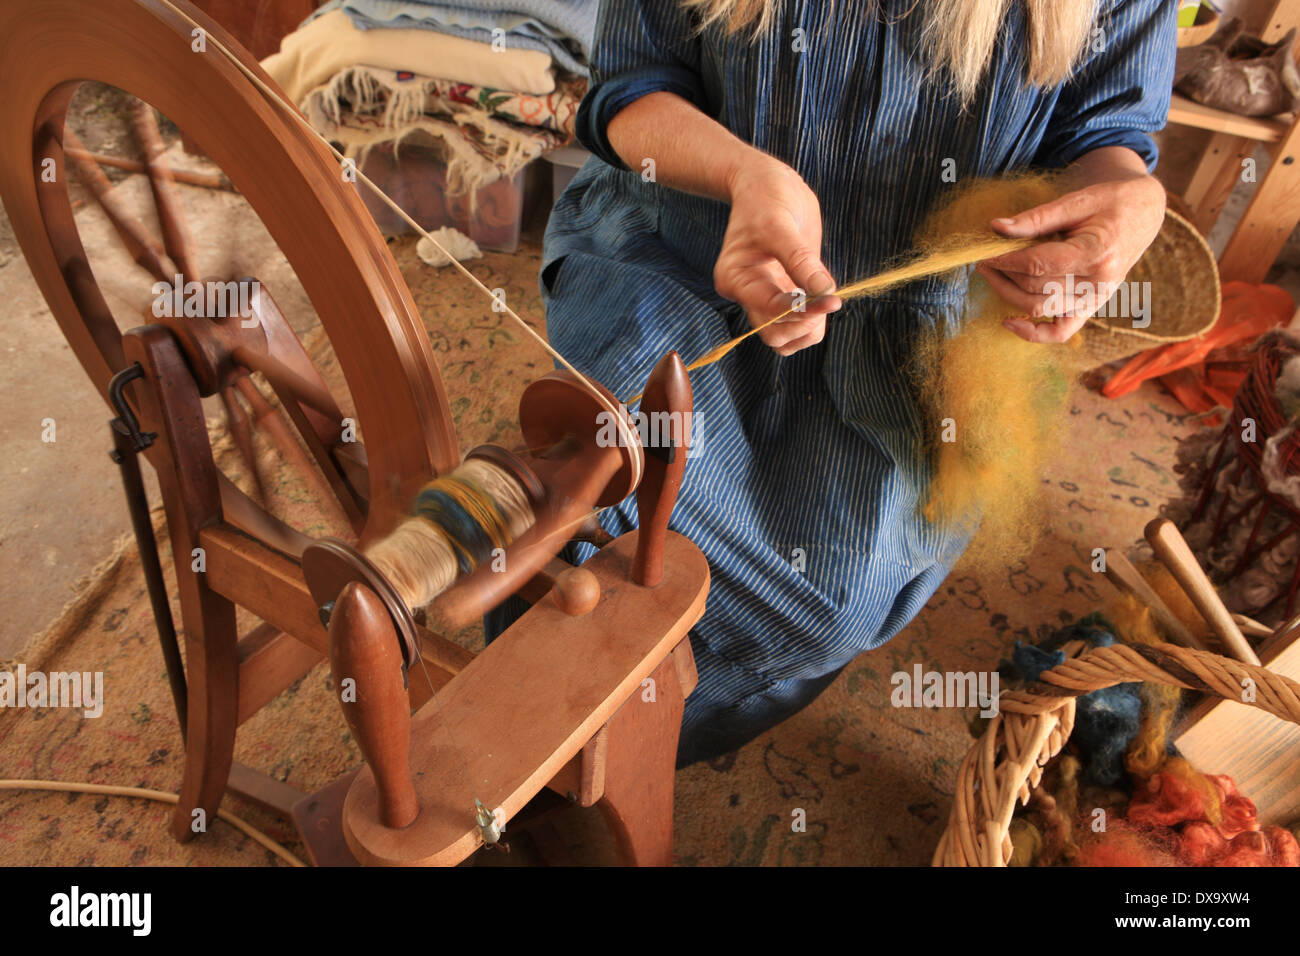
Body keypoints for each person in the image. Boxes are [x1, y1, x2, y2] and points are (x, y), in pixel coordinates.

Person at [511, 0, 1175, 765]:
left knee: (830, 602)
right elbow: (629, 89)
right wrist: (742, 173)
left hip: (912, 333)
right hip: (686, 253)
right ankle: (535, 739)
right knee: (604, 500)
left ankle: (635, 745)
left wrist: (1132, 199)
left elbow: (1103, 134)